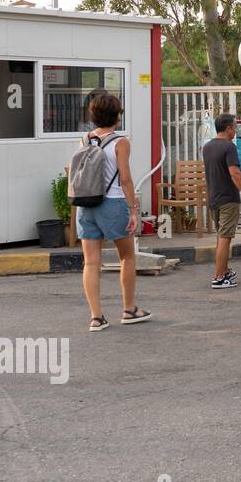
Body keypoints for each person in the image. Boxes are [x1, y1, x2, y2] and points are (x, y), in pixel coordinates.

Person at [75, 93, 151, 331]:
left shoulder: (84, 139)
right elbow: (125, 178)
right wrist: (132, 209)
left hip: (86, 205)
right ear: (117, 116)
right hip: (114, 203)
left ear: (93, 116)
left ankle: (96, 317)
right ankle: (129, 310)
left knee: (90, 263)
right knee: (127, 257)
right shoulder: (121, 142)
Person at [202, 114, 241, 289]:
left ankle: (223, 271)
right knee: (225, 237)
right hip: (228, 199)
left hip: (213, 198)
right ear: (228, 128)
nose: (236, 130)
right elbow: (235, 173)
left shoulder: (207, 147)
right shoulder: (229, 147)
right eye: (235, 127)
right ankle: (218, 277)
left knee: (221, 236)